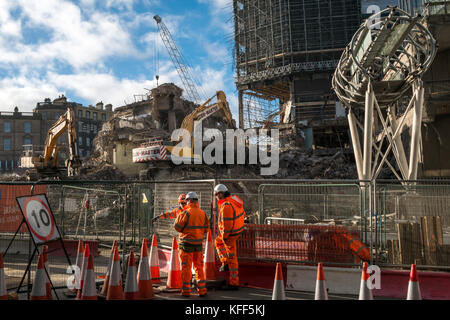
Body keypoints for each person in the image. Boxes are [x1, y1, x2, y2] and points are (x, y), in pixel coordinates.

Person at [173, 191, 209, 297]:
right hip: (198, 245)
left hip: (186, 245)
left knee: (186, 268)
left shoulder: (186, 213)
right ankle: (202, 291)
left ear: (191, 200)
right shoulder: (203, 213)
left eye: (187, 200)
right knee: (199, 267)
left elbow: (177, 227)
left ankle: (186, 291)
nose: (186, 202)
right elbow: (206, 229)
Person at [213, 184, 245, 290]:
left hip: (230, 235)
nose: (216, 197)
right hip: (236, 232)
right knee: (217, 242)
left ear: (221, 194)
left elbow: (227, 225)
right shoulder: (234, 200)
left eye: (217, 195)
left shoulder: (226, 206)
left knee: (232, 259)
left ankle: (233, 283)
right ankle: (225, 262)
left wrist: (225, 237)